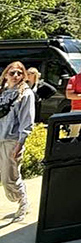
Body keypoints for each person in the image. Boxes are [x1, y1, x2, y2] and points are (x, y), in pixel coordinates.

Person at [0, 61, 35, 222]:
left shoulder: (25, 94)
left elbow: (26, 121)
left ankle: (22, 202)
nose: (15, 76)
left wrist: (20, 143)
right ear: (6, 74)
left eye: (19, 73)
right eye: (12, 72)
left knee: (10, 177)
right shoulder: (2, 91)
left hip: (12, 140)